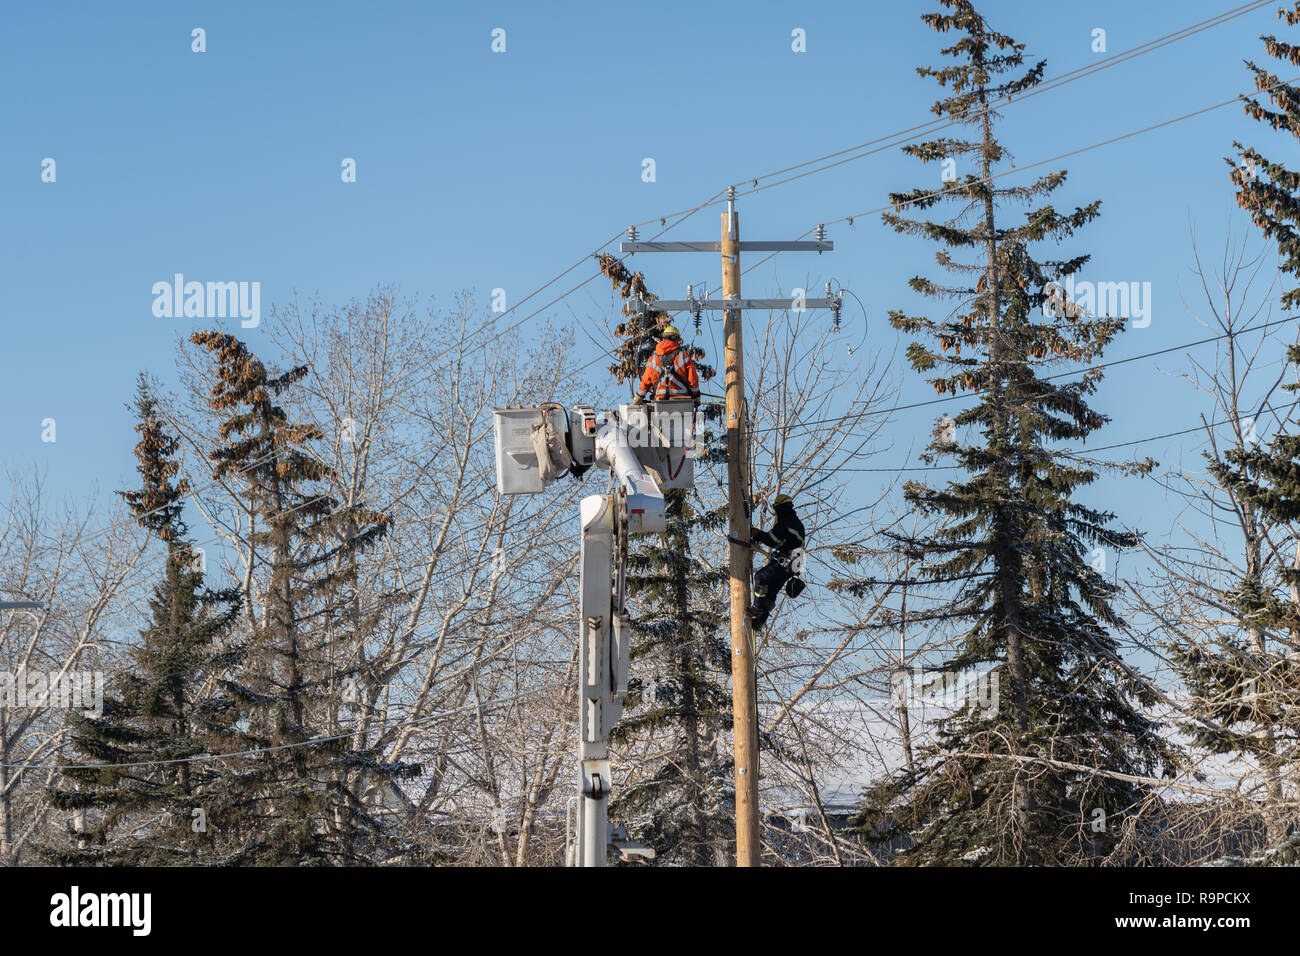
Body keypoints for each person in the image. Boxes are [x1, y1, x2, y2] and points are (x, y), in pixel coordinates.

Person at [749, 494, 806, 632]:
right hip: (793, 565)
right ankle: (759, 622)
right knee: (771, 590)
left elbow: (771, 539)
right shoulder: (795, 522)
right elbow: (780, 542)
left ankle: (757, 608)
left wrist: (756, 533)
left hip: (787, 561)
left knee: (760, 578)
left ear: (780, 508)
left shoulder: (787, 522)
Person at [636, 326, 700, 403]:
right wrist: (696, 396)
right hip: (682, 402)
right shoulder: (684, 357)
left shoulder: (653, 360)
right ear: (676, 339)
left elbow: (645, 382)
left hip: (659, 402)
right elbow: (693, 380)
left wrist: (638, 397)